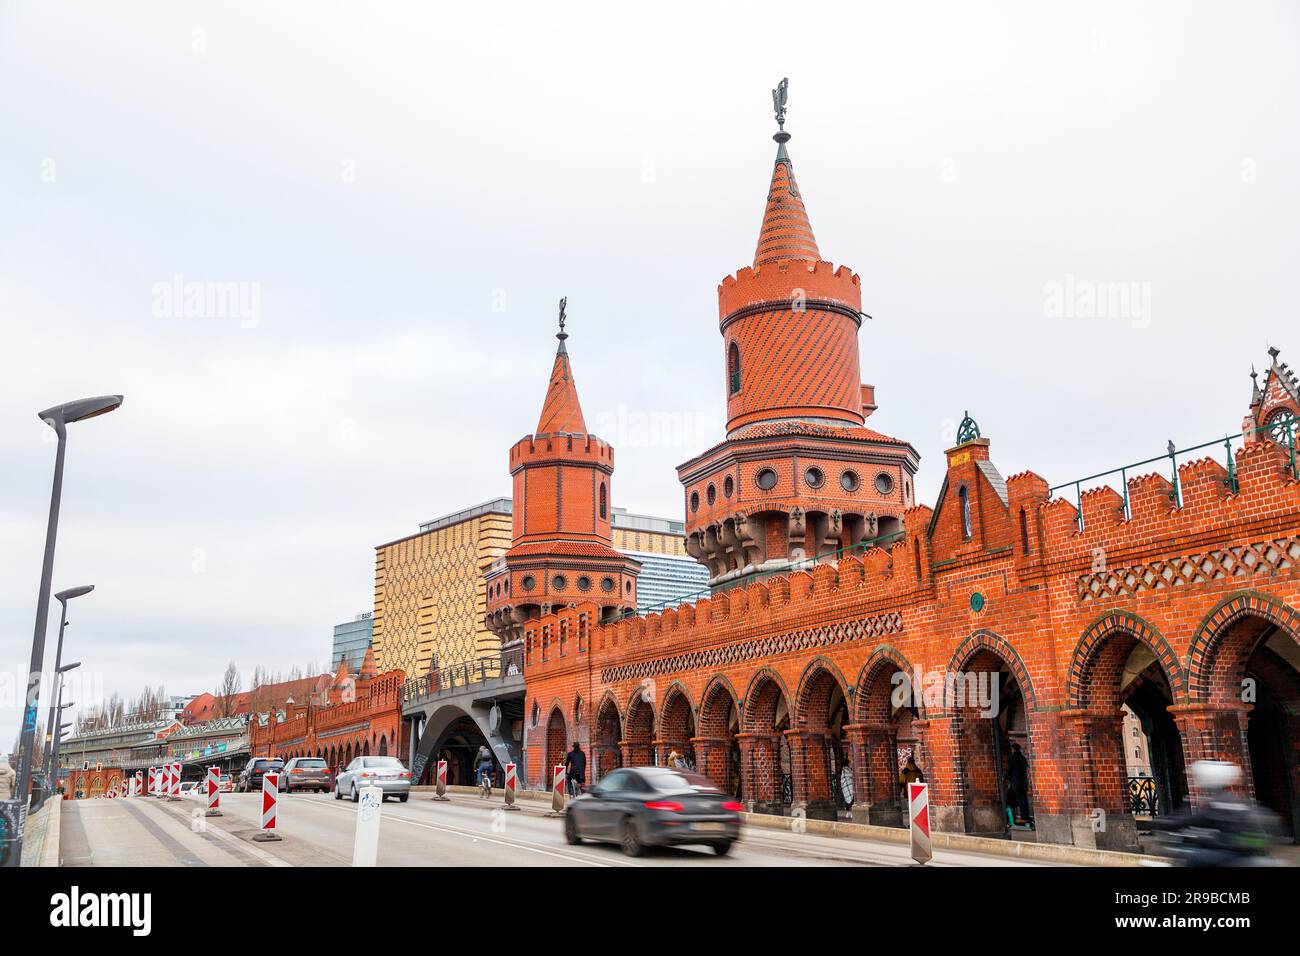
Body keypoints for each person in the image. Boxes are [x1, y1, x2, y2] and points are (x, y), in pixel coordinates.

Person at [1152, 761, 1282, 866]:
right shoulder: (1230, 798)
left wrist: (1161, 823)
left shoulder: (1215, 803)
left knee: (1195, 858)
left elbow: (1190, 821)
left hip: (1230, 854)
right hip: (1241, 851)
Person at [1004, 741, 1031, 825]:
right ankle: (1026, 817)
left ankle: (1020, 818)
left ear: (1013, 749)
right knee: (1024, 800)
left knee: (1017, 801)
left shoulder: (1014, 758)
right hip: (1023, 783)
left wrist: (1004, 777)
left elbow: (1009, 770)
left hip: (1016, 784)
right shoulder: (1023, 758)